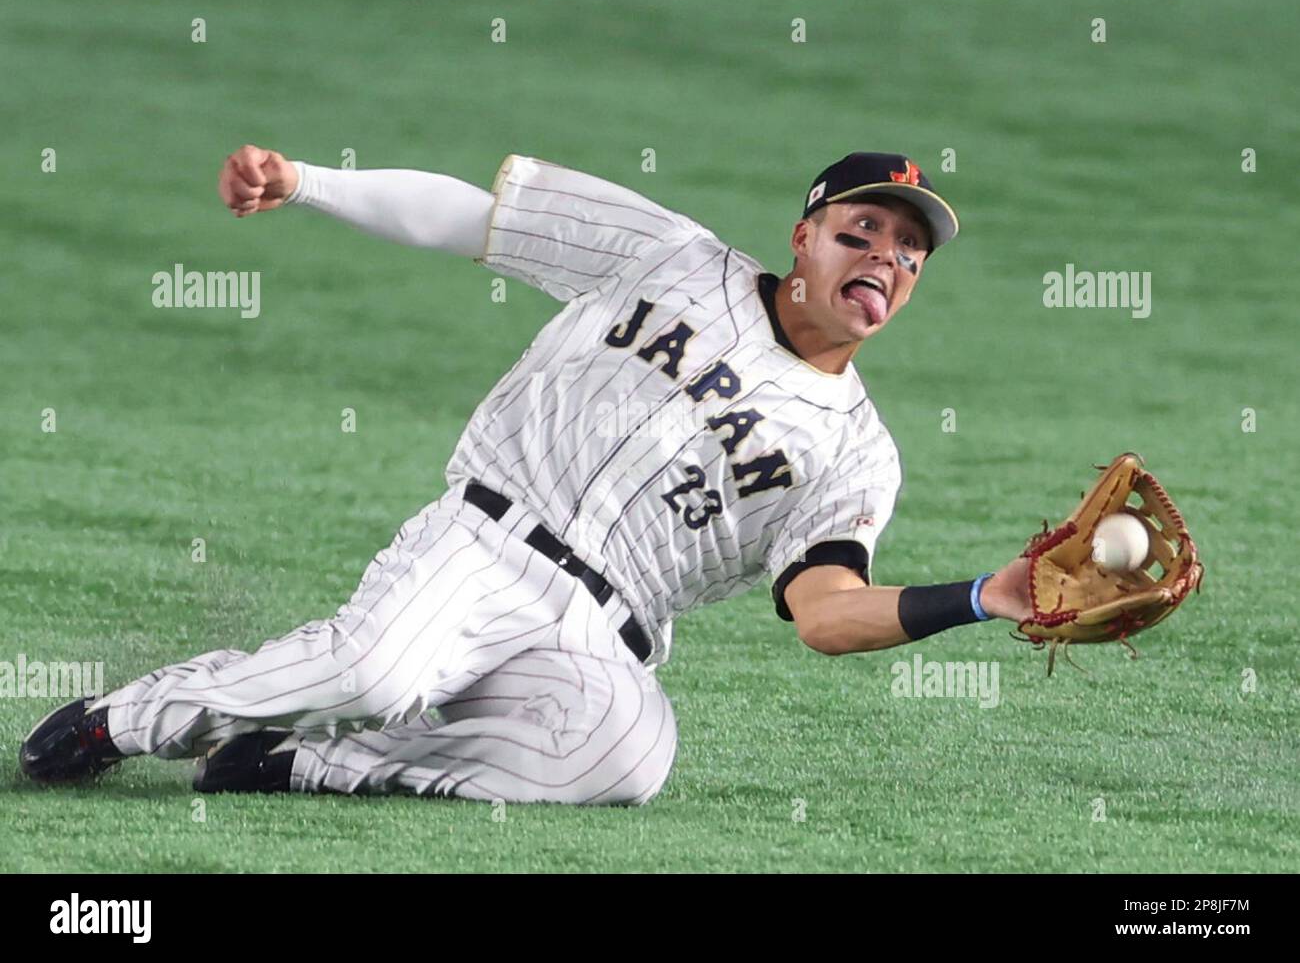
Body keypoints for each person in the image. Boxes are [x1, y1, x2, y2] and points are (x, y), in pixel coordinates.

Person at [19, 147, 1030, 804]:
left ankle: (295, 765)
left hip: (601, 632)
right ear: (804, 238)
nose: (885, 257)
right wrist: (307, 183)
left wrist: (984, 597)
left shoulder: (858, 451)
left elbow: (826, 612)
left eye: (907, 252)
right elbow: (473, 220)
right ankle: (126, 718)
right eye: (862, 230)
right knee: (372, 675)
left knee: (629, 755)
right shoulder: (673, 259)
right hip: (485, 542)